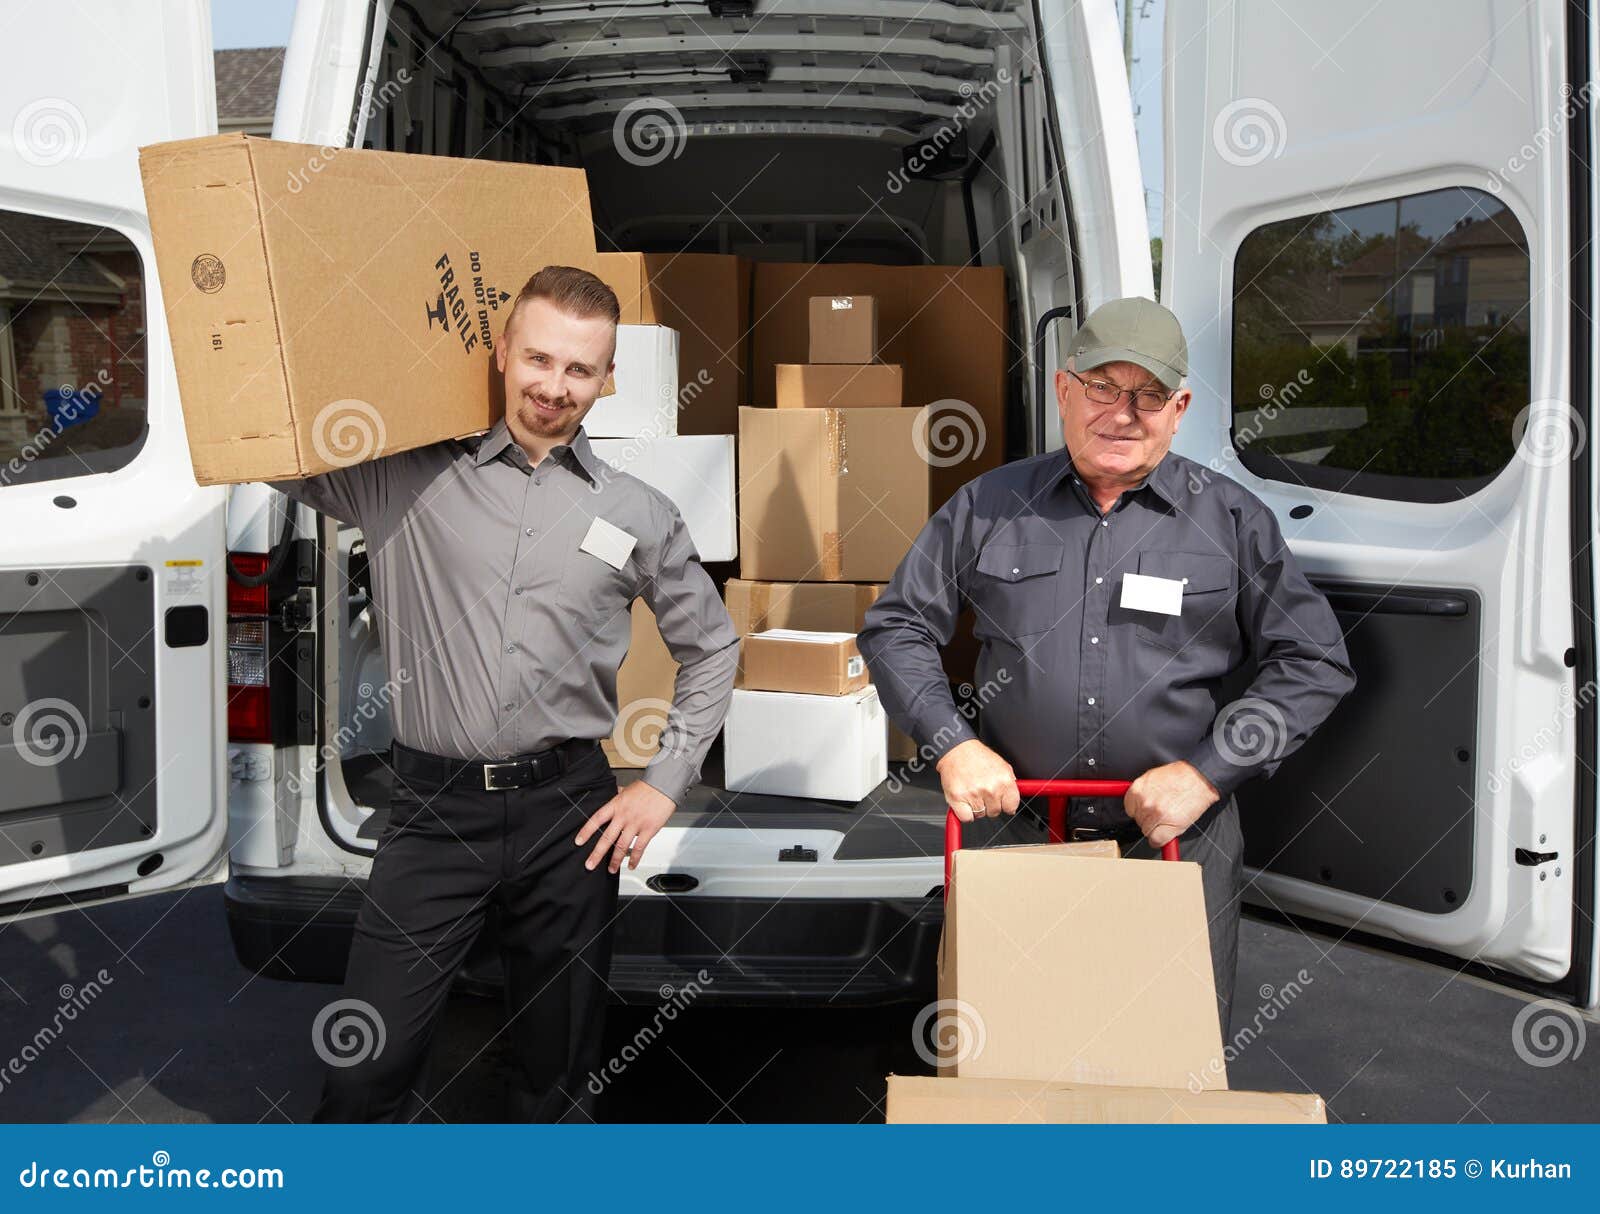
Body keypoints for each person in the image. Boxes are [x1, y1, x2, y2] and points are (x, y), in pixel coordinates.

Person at [269, 265, 739, 1121]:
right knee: (367, 1065)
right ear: (500, 353)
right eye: (539, 359)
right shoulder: (400, 476)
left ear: (606, 382)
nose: (553, 388)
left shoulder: (637, 511)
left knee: (555, 1079)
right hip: (433, 812)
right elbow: (259, 442)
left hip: (571, 814)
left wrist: (660, 785)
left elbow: (711, 648)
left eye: (579, 370)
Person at [857, 296, 1356, 1034]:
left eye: (1148, 395)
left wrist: (1207, 772)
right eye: (1101, 388)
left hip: (1176, 844)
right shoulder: (986, 505)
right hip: (1019, 831)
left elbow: (1315, 661)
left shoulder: (1230, 519)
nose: (1122, 414)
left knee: (1167, 1053)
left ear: (1179, 407)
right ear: (1064, 389)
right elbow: (897, 625)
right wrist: (953, 743)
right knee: (1014, 1048)